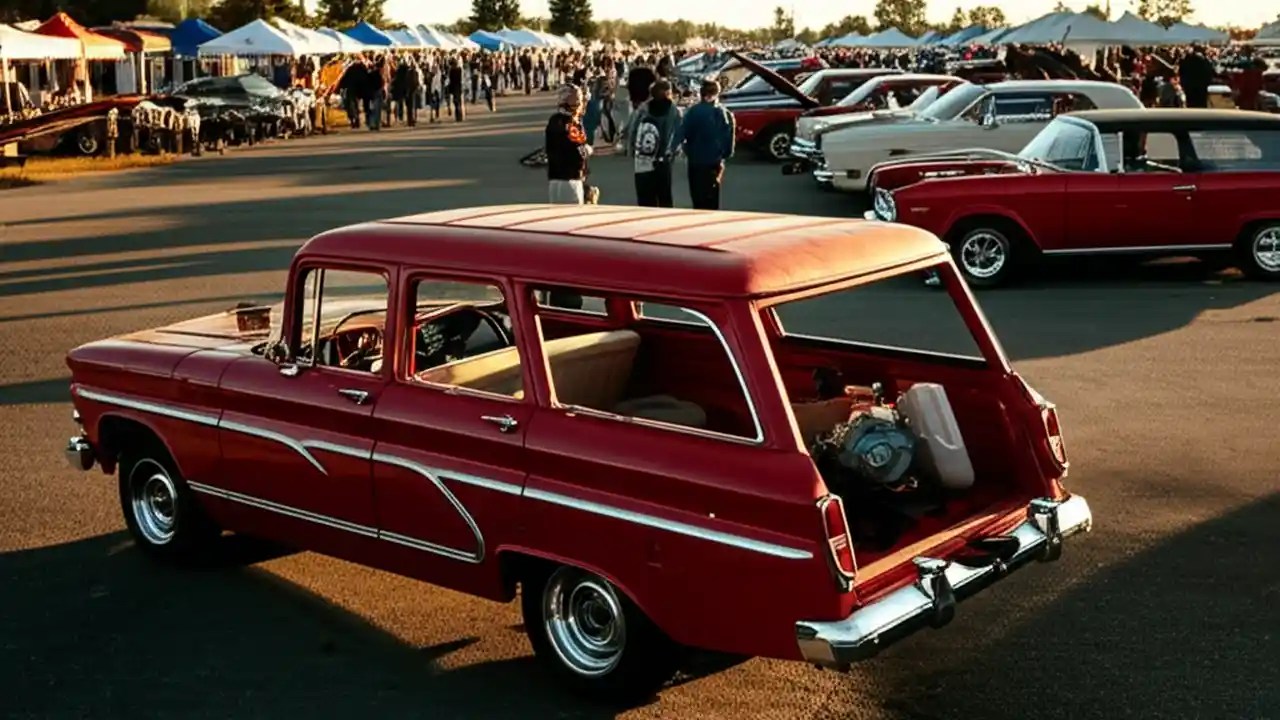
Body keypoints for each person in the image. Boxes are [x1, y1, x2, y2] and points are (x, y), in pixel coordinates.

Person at [678, 80, 735, 210]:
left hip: (696, 160)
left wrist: (686, 149)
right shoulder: (724, 113)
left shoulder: (693, 112)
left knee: (697, 196)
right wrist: (724, 154)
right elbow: (729, 139)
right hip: (714, 160)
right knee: (712, 196)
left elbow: (683, 133)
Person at [627, 80, 682, 208]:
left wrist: (632, 150)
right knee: (664, 196)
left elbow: (633, 131)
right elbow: (677, 135)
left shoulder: (643, 109)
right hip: (663, 159)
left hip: (644, 159)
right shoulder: (673, 111)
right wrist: (674, 152)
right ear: (668, 93)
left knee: (645, 197)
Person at [545, 84, 593, 204]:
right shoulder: (571, 124)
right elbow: (579, 151)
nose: (581, 103)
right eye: (578, 99)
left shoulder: (554, 120)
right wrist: (588, 150)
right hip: (571, 181)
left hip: (554, 180)